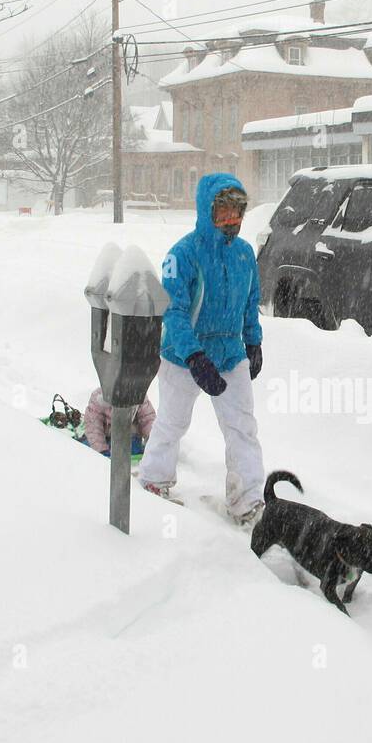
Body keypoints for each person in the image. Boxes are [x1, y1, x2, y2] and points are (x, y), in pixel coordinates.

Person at [136, 172, 266, 523]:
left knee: (242, 427)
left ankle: (248, 500)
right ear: (206, 211)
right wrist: (194, 357)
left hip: (230, 352)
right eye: (222, 213)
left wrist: (253, 341)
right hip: (183, 356)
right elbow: (174, 311)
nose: (230, 222)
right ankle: (154, 479)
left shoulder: (244, 254)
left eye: (236, 213)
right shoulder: (183, 255)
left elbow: (250, 301)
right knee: (173, 422)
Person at [83, 388, 157, 458]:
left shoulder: (139, 395)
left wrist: (153, 443)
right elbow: (93, 426)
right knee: (87, 448)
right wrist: (102, 450)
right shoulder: (99, 397)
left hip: (130, 437)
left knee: (133, 449)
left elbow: (148, 420)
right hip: (107, 438)